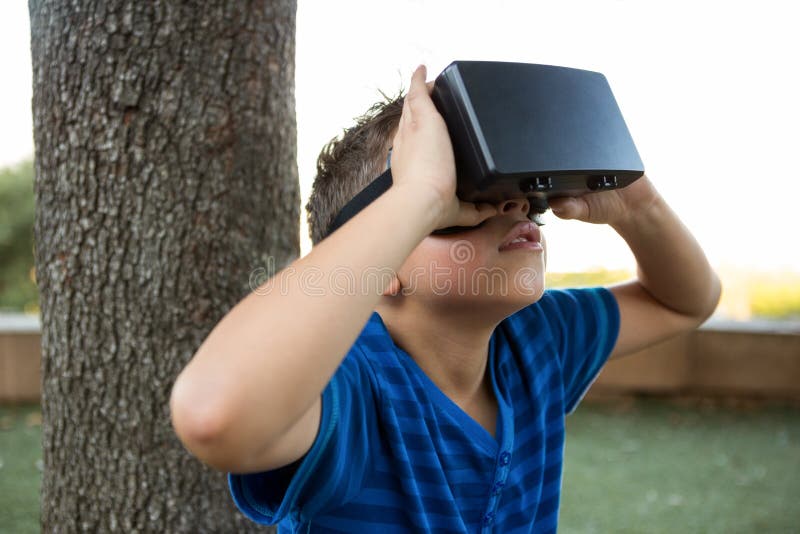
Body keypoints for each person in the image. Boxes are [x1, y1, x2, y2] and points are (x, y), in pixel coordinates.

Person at [169, 64, 722, 532]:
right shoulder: (353, 386)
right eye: (463, 194)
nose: (511, 206)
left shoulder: (537, 342)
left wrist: (639, 206)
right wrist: (420, 195)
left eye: (518, 193)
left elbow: (684, 302)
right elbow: (215, 413)